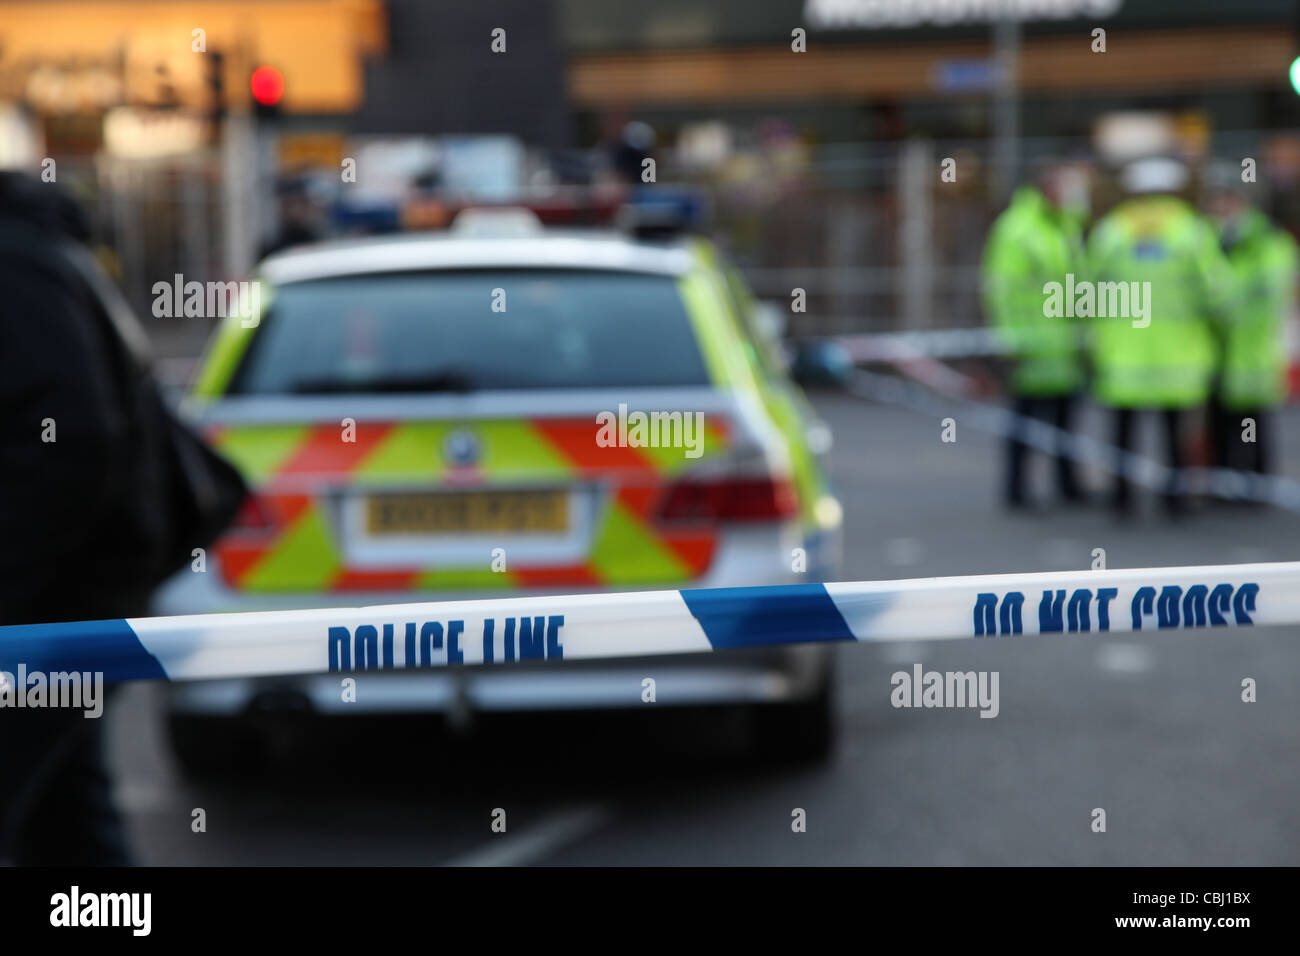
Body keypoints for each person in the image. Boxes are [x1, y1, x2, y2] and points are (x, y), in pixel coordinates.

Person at [0, 172, 243, 864]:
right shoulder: (35, 254)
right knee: (66, 816)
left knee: (59, 807)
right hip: (67, 598)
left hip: (51, 607)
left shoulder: (15, 263)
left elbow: (71, 440)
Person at [1087, 157, 1234, 516]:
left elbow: (1089, 285)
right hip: (1177, 357)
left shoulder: (1113, 230)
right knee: (1174, 433)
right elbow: (1219, 291)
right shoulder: (1192, 231)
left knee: (1123, 431)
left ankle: (1122, 499)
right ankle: (1175, 502)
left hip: (1124, 356)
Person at [981, 162, 1089, 508]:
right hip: (1031, 345)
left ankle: (1068, 486)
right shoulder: (1017, 228)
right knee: (1024, 422)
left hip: (1062, 345)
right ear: (1048, 188)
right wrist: (1010, 340)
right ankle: (1017, 490)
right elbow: (1001, 288)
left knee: (1065, 422)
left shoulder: (1066, 225)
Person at [1203, 161, 1298, 495]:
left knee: (1251, 425)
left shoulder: (1266, 239)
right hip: (1217, 350)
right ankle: (1225, 483)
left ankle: (1255, 485)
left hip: (1250, 350)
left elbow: (1272, 285)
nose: (1220, 207)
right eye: (1216, 199)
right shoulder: (1209, 237)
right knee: (1219, 424)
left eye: (1226, 198)